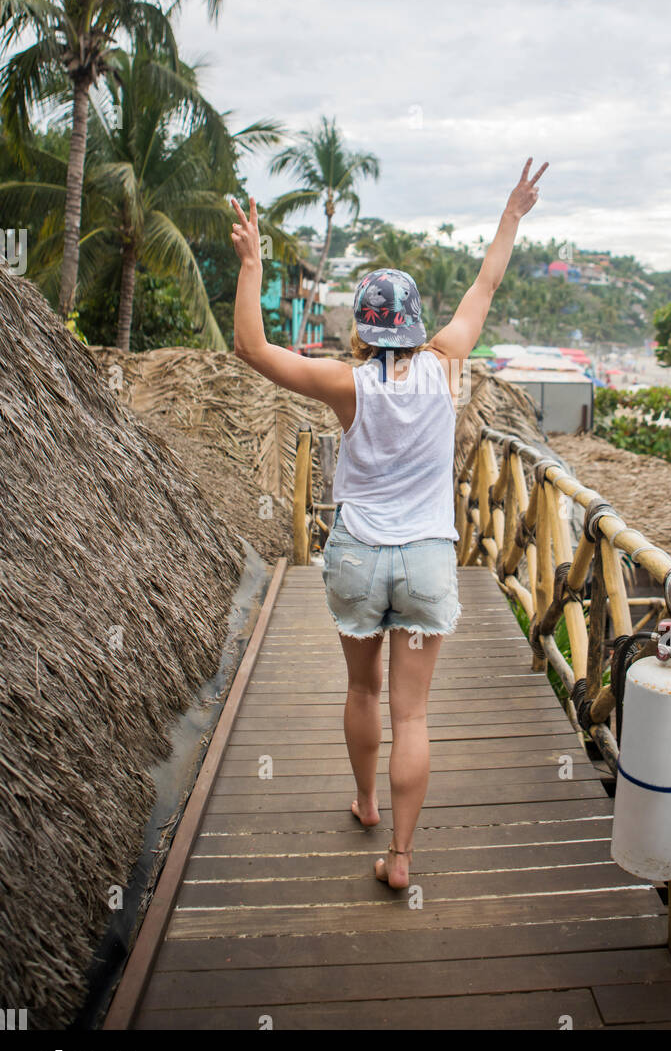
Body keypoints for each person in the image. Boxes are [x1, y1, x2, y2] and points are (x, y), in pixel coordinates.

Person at [230, 158, 548, 888]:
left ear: (366, 331)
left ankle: (367, 802)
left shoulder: (347, 382)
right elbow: (484, 285)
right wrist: (510, 216)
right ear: (413, 324)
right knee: (413, 715)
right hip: (428, 560)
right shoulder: (446, 364)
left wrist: (251, 264)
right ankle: (401, 860)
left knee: (359, 691)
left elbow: (252, 350)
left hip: (358, 556)